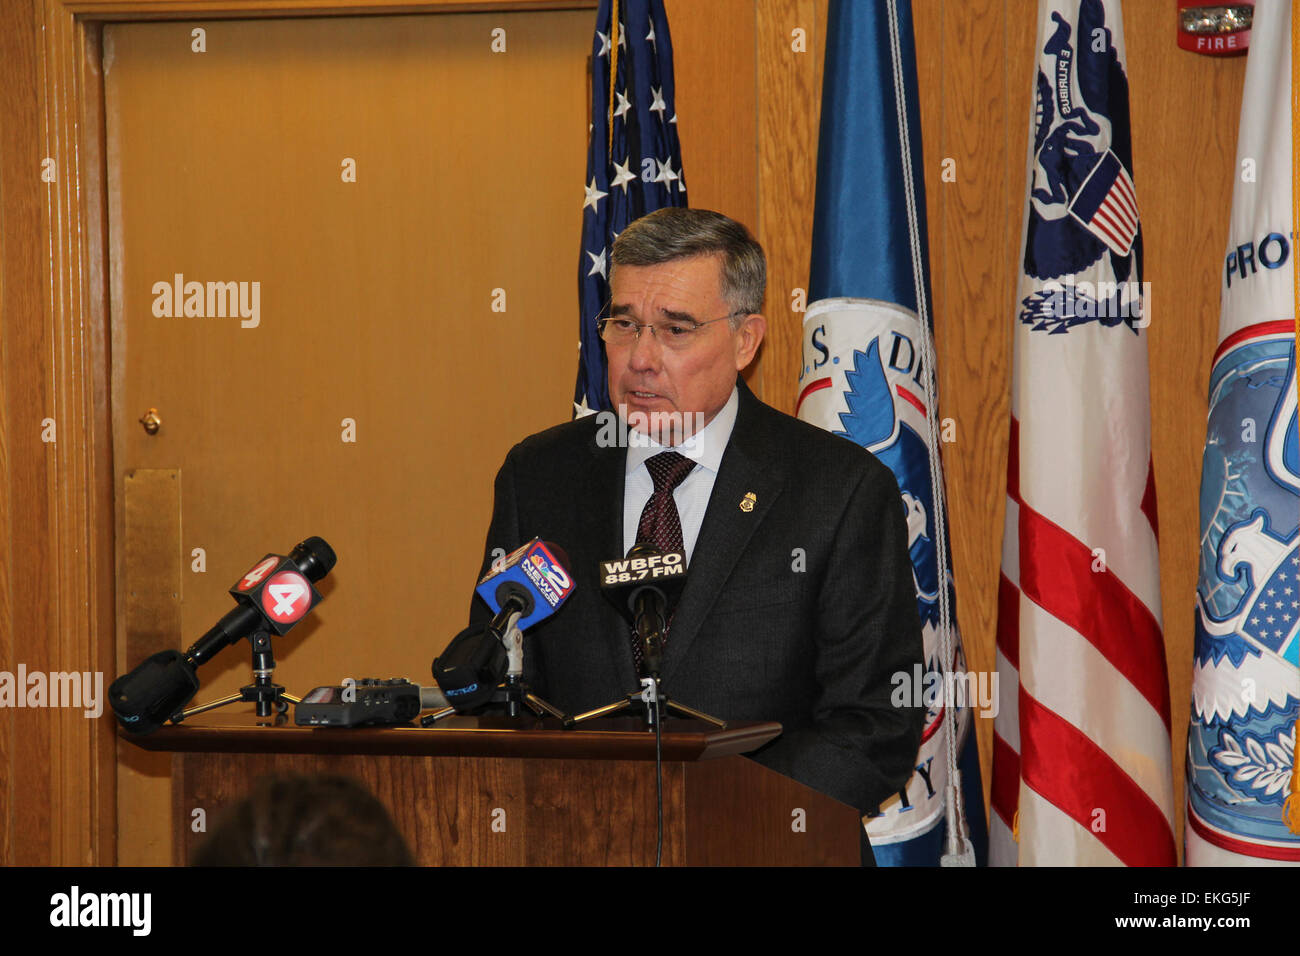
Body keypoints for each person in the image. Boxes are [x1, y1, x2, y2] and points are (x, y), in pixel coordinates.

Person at [469, 208, 923, 865]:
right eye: (623, 325)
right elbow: (502, 692)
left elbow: (875, 724)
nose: (641, 359)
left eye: (675, 330)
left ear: (746, 340)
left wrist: (694, 817)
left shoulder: (838, 490)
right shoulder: (539, 476)